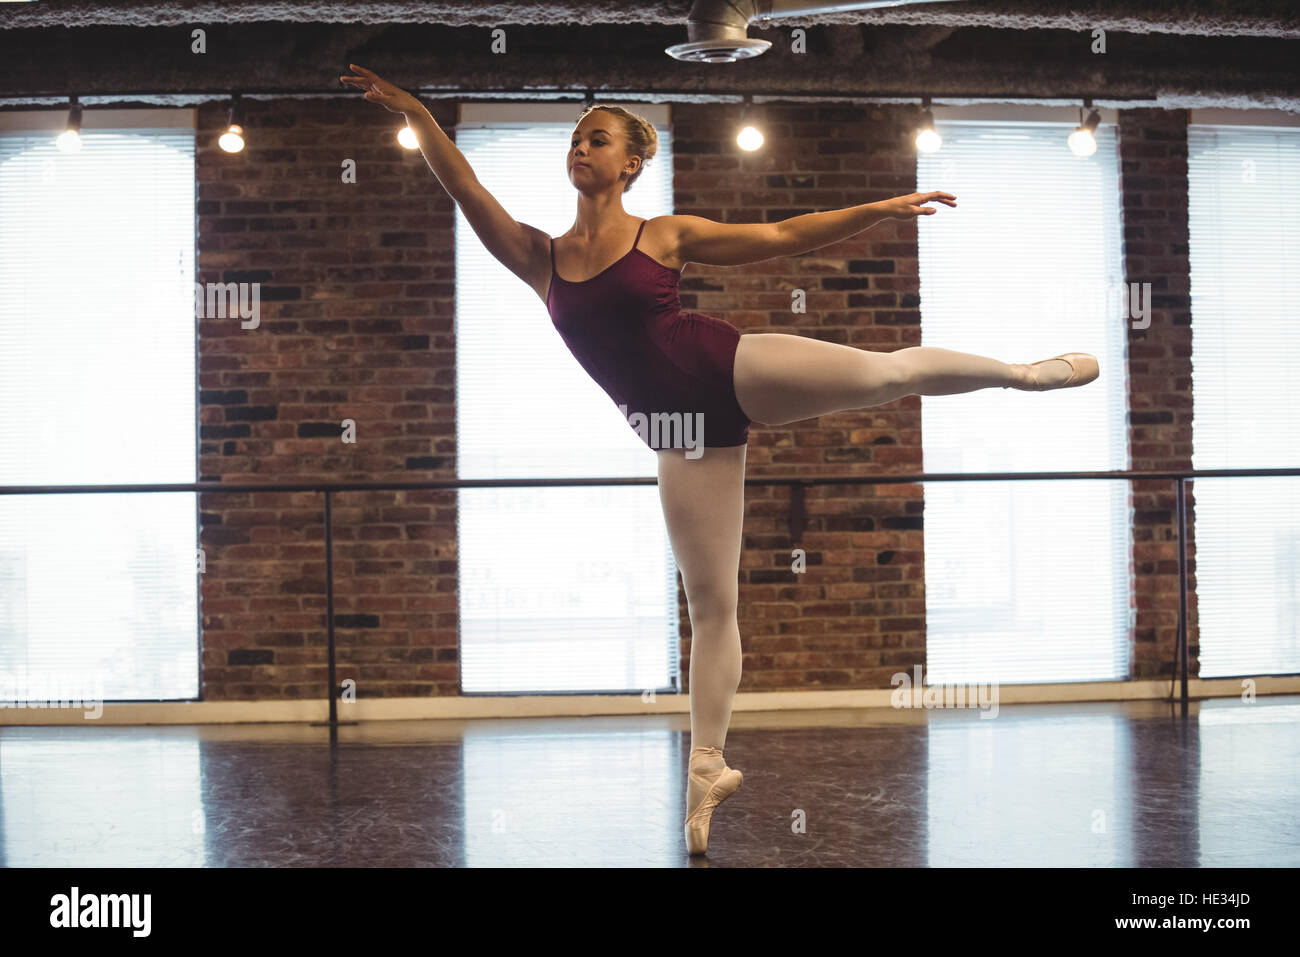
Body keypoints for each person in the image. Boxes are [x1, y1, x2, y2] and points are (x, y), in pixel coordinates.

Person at [341, 64, 1099, 855]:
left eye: (596, 138)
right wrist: (422, 114)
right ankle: (707, 764)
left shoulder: (660, 234)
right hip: (674, 434)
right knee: (710, 604)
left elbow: (777, 238)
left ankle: (1021, 374)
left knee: (884, 372)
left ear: (631, 162)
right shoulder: (542, 258)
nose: (580, 147)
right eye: (574, 138)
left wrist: (880, 207)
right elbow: (467, 191)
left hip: (724, 368)